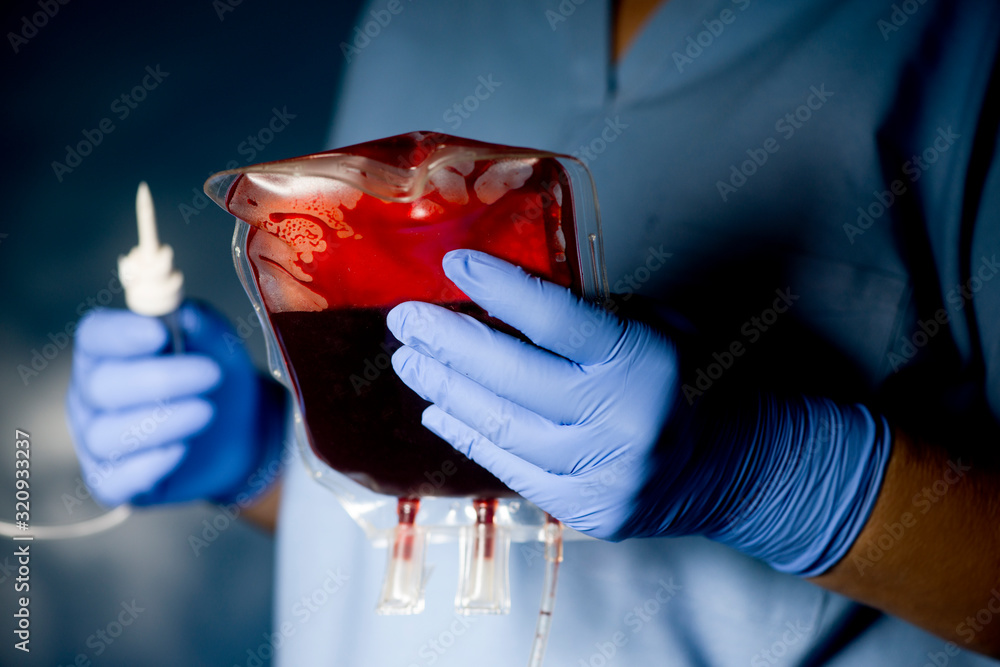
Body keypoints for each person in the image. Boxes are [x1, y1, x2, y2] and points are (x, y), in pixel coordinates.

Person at [67, 0, 1000, 664]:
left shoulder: (953, 37)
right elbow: (441, 473)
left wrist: (773, 476)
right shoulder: (417, 19)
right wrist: (267, 459)